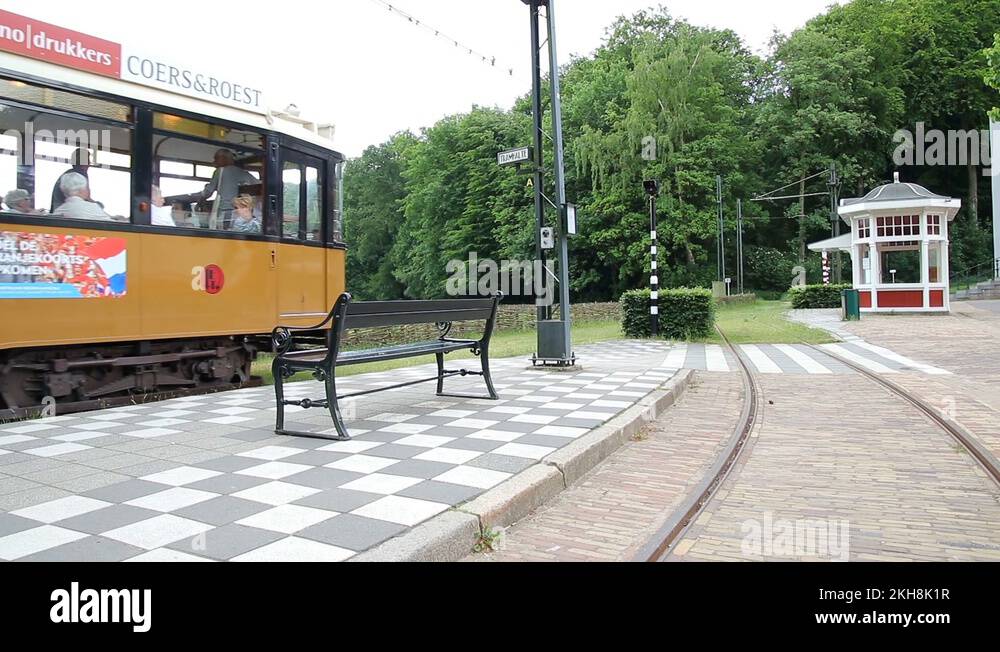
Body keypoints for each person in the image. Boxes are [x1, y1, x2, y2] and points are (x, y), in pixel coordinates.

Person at [175, 149, 258, 230]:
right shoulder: (243, 173)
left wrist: (195, 197)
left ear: (223, 158)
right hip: (239, 212)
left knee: (223, 234)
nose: (214, 162)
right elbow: (258, 184)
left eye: (216, 159)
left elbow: (208, 192)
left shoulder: (220, 171)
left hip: (223, 211)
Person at [51, 148, 92, 212]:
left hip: (59, 212)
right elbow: (86, 198)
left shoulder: (68, 174)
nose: (90, 163)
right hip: (66, 214)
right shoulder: (79, 175)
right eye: (88, 160)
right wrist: (97, 206)